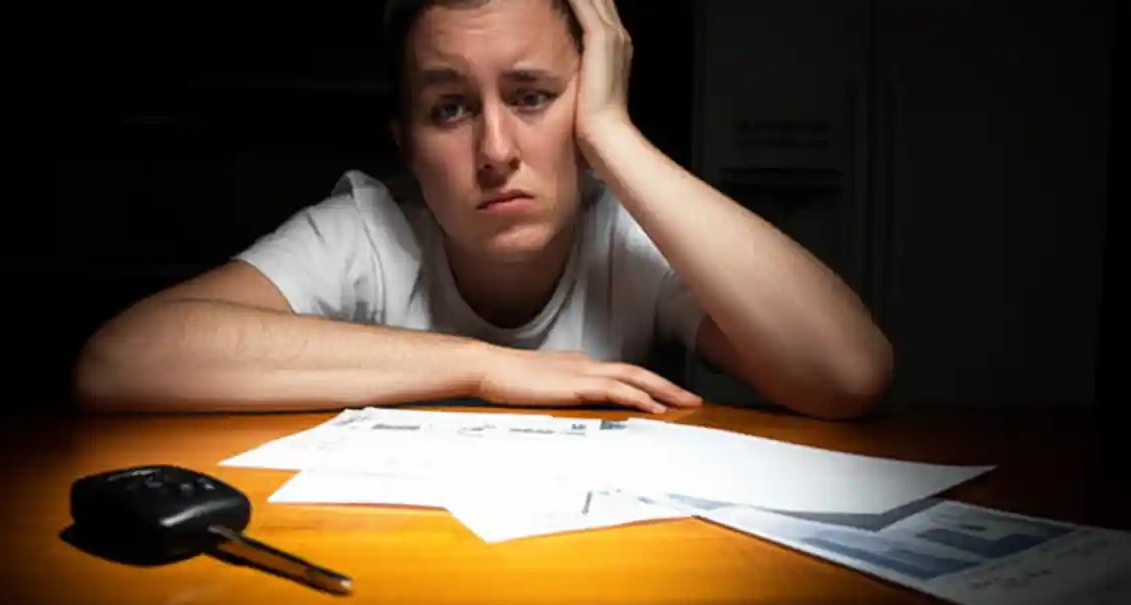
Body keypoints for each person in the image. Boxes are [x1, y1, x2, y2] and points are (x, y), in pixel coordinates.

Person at [72, 0, 893, 420]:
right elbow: (122, 361)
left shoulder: (623, 238)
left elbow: (848, 375)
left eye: (534, 96)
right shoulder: (369, 232)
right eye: (452, 109)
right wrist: (487, 366)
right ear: (407, 141)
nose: (497, 149)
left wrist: (612, 133)